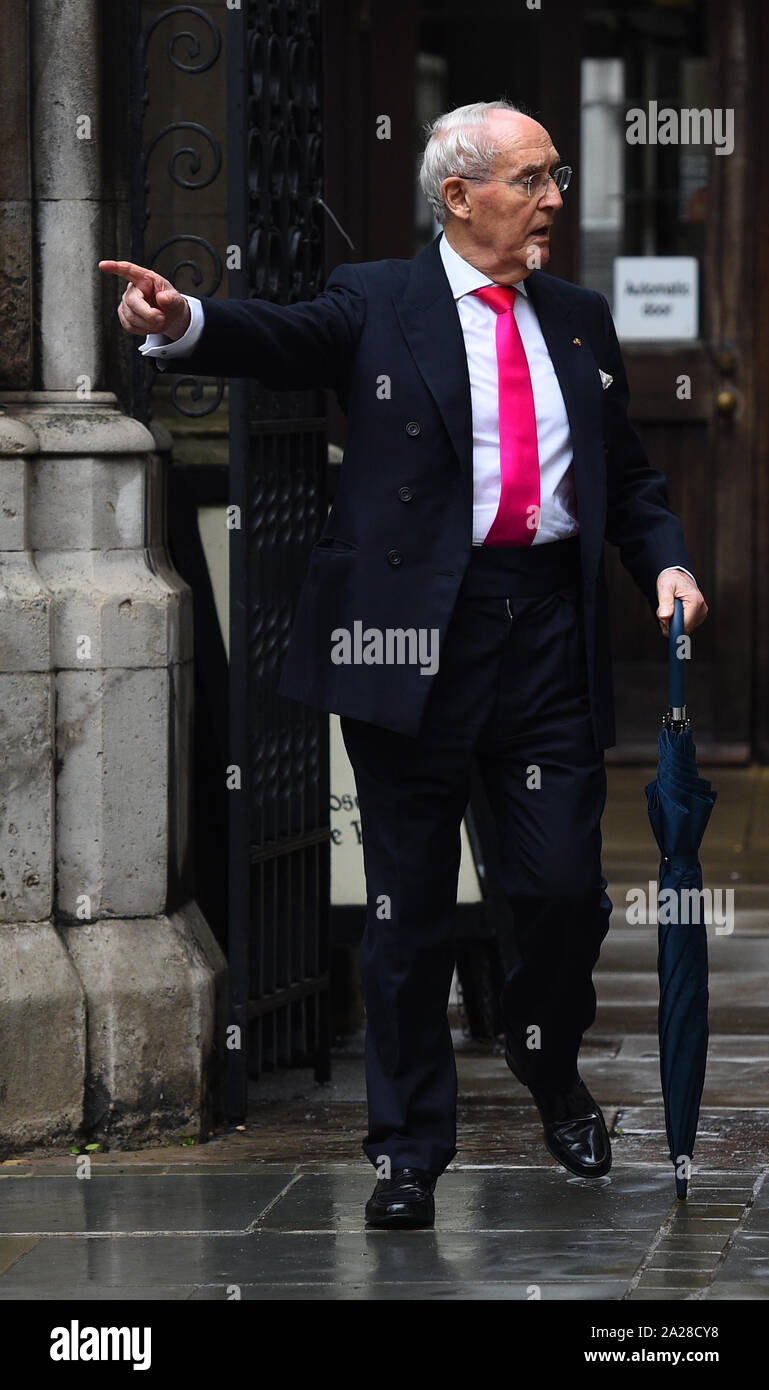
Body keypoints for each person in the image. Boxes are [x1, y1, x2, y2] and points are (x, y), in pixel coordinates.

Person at [101, 100, 708, 1231]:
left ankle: (547, 1065)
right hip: (411, 641)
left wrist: (663, 563)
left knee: (562, 890)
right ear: (459, 195)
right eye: (532, 179)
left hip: (543, 638)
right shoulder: (380, 299)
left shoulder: (576, 317)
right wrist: (184, 320)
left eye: (555, 177)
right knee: (409, 908)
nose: (554, 201)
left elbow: (625, 479)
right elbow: (280, 337)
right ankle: (408, 1151)